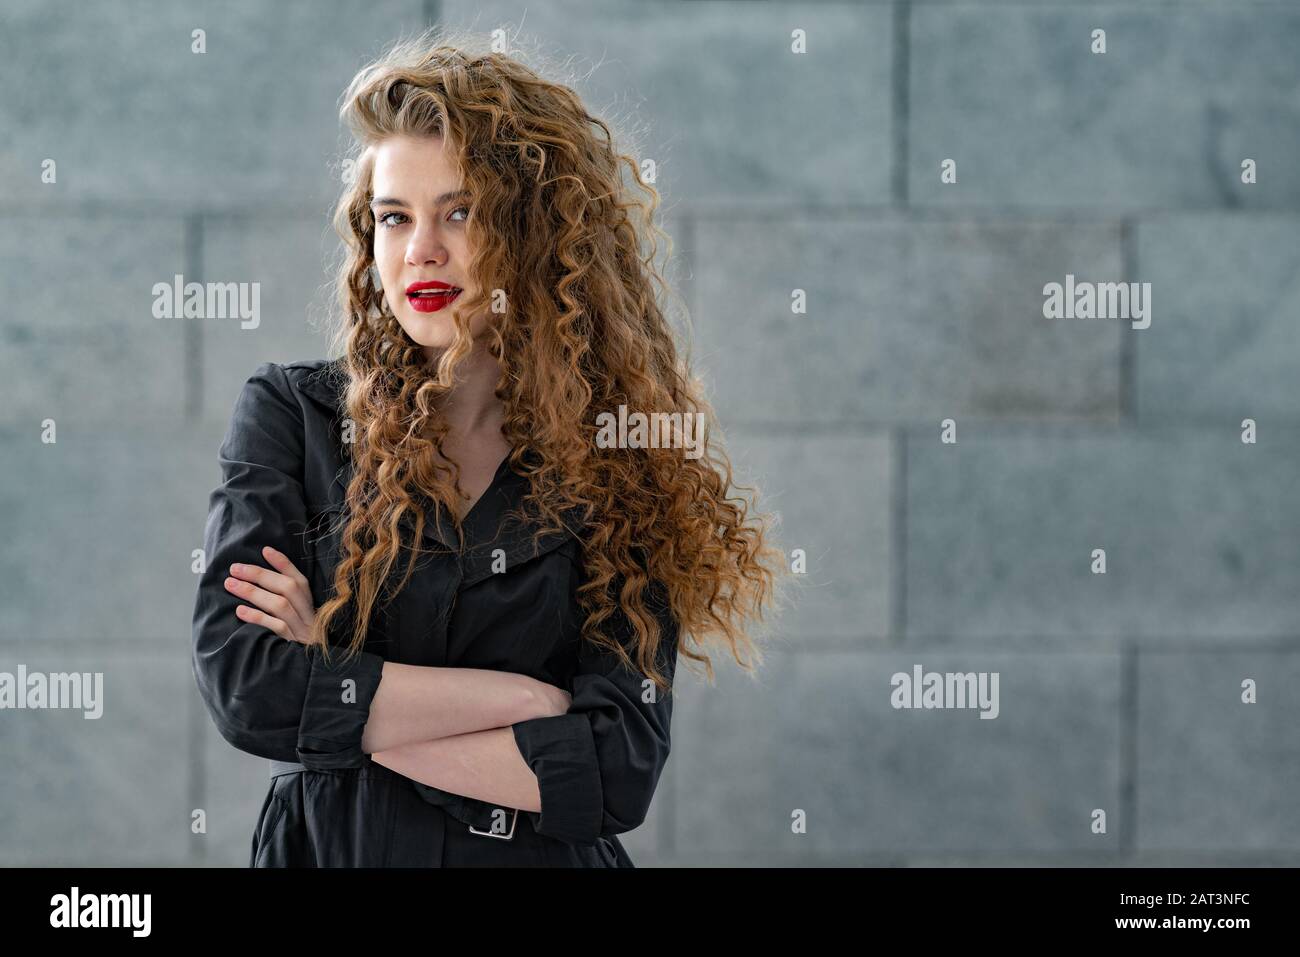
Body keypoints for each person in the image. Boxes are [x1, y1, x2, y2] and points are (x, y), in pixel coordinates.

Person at [190, 30, 787, 867]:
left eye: (460, 212)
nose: (420, 249)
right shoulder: (293, 416)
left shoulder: (621, 454)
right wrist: (517, 702)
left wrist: (336, 686)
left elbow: (615, 772)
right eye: (394, 217)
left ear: (536, 236)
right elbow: (248, 688)